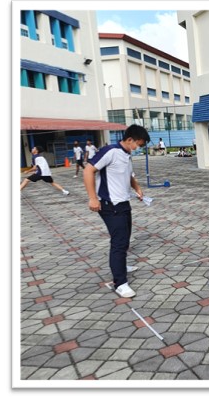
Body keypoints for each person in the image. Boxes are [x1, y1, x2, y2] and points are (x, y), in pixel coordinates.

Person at [84, 125, 149, 299]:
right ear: (130, 140)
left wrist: (137, 187)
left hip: (123, 202)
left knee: (126, 236)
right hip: (108, 204)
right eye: (138, 145)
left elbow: (128, 175)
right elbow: (88, 170)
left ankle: (120, 265)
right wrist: (92, 198)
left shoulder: (126, 155)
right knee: (119, 242)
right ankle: (120, 282)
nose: (138, 149)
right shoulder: (110, 151)